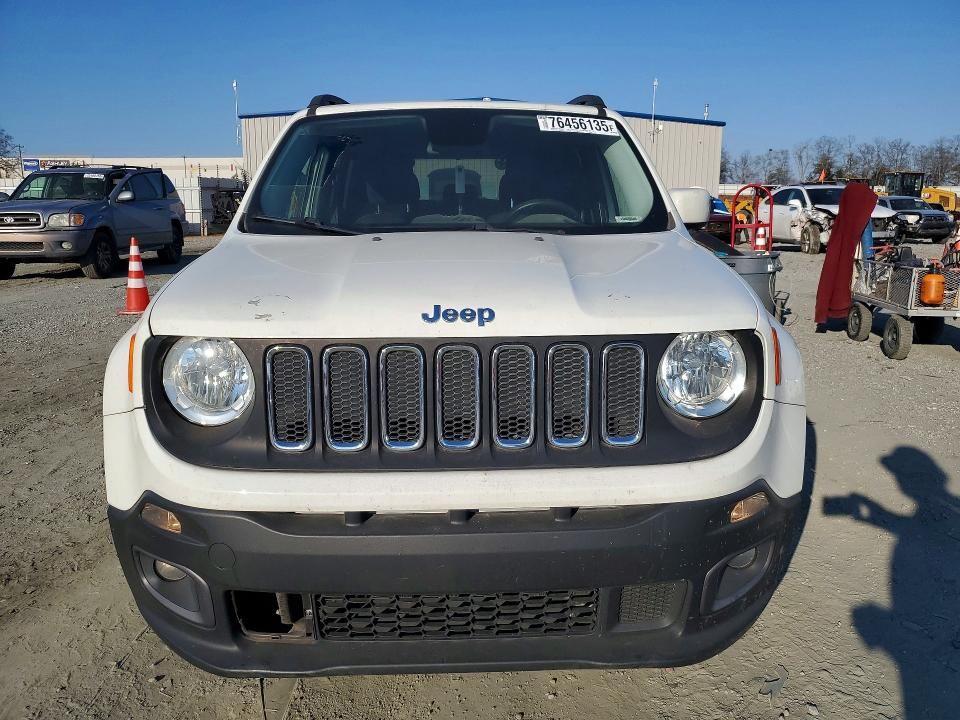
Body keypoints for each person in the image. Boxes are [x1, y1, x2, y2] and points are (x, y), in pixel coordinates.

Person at [814, 182, 877, 327]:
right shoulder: (862, 217)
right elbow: (868, 249)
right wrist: (870, 267)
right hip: (857, 258)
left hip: (849, 256)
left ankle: (840, 308)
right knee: (857, 282)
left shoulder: (843, 217)